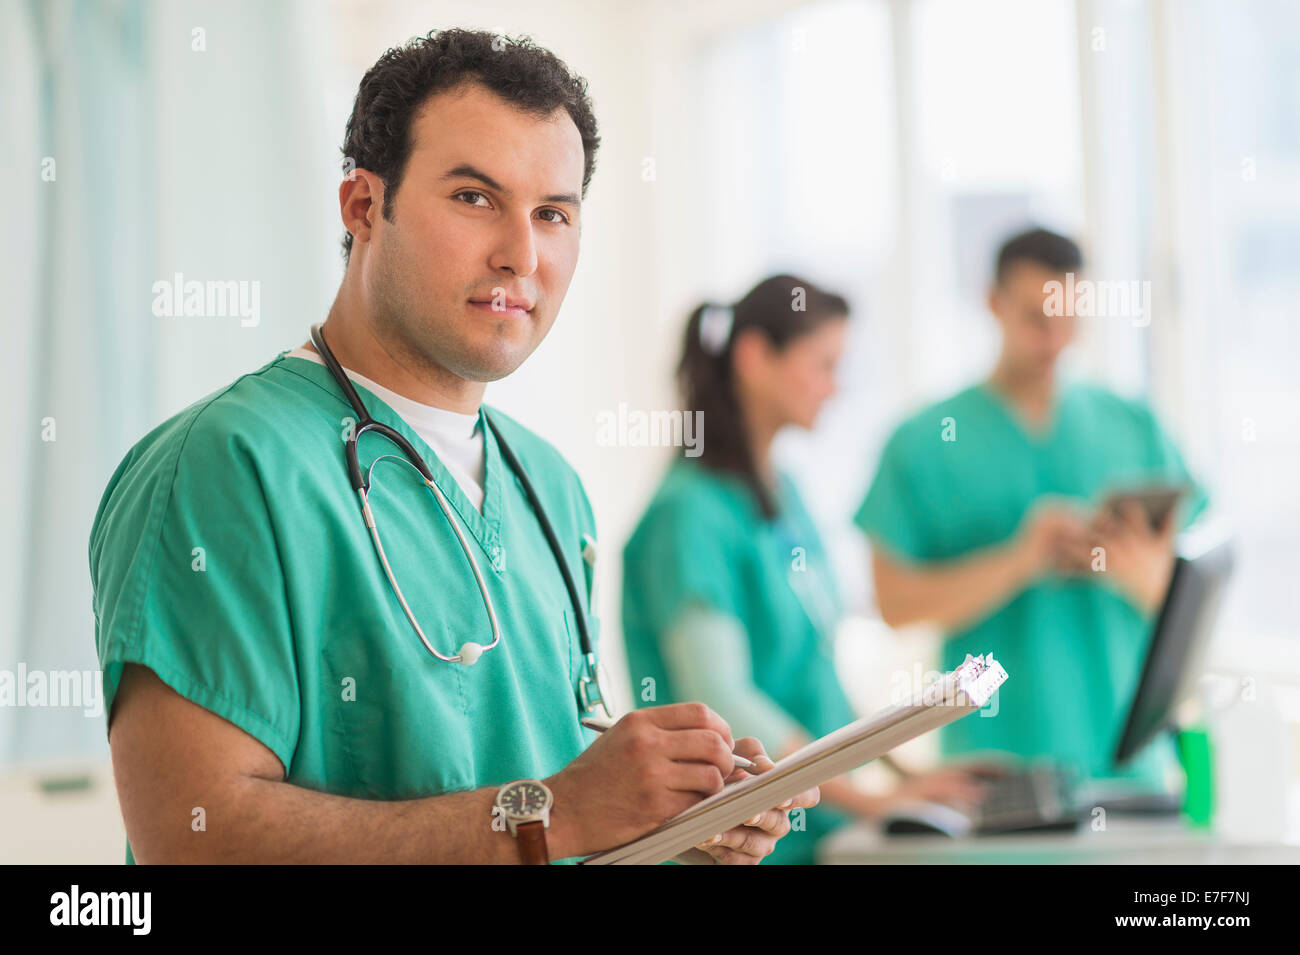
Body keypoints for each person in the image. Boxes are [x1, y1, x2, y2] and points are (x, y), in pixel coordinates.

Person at [90, 29, 816, 865]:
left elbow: (552, 800)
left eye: (553, 213)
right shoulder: (224, 466)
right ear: (364, 206)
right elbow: (195, 837)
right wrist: (550, 813)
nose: (522, 254)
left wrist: (673, 818)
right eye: (475, 198)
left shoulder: (549, 486)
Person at [621, 275, 987, 865]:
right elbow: (724, 699)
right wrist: (877, 803)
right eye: (823, 364)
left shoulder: (784, 493)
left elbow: (818, 676)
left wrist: (908, 772)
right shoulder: (689, 515)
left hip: (810, 831)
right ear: (755, 358)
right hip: (736, 843)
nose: (835, 388)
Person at [855, 227, 1208, 793]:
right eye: (1036, 322)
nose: (1055, 342)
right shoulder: (923, 442)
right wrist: (1021, 560)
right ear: (992, 303)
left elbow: (1193, 591)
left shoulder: (1133, 426)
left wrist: (1138, 574)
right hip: (992, 773)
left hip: (1127, 770)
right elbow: (893, 605)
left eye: (1070, 323)